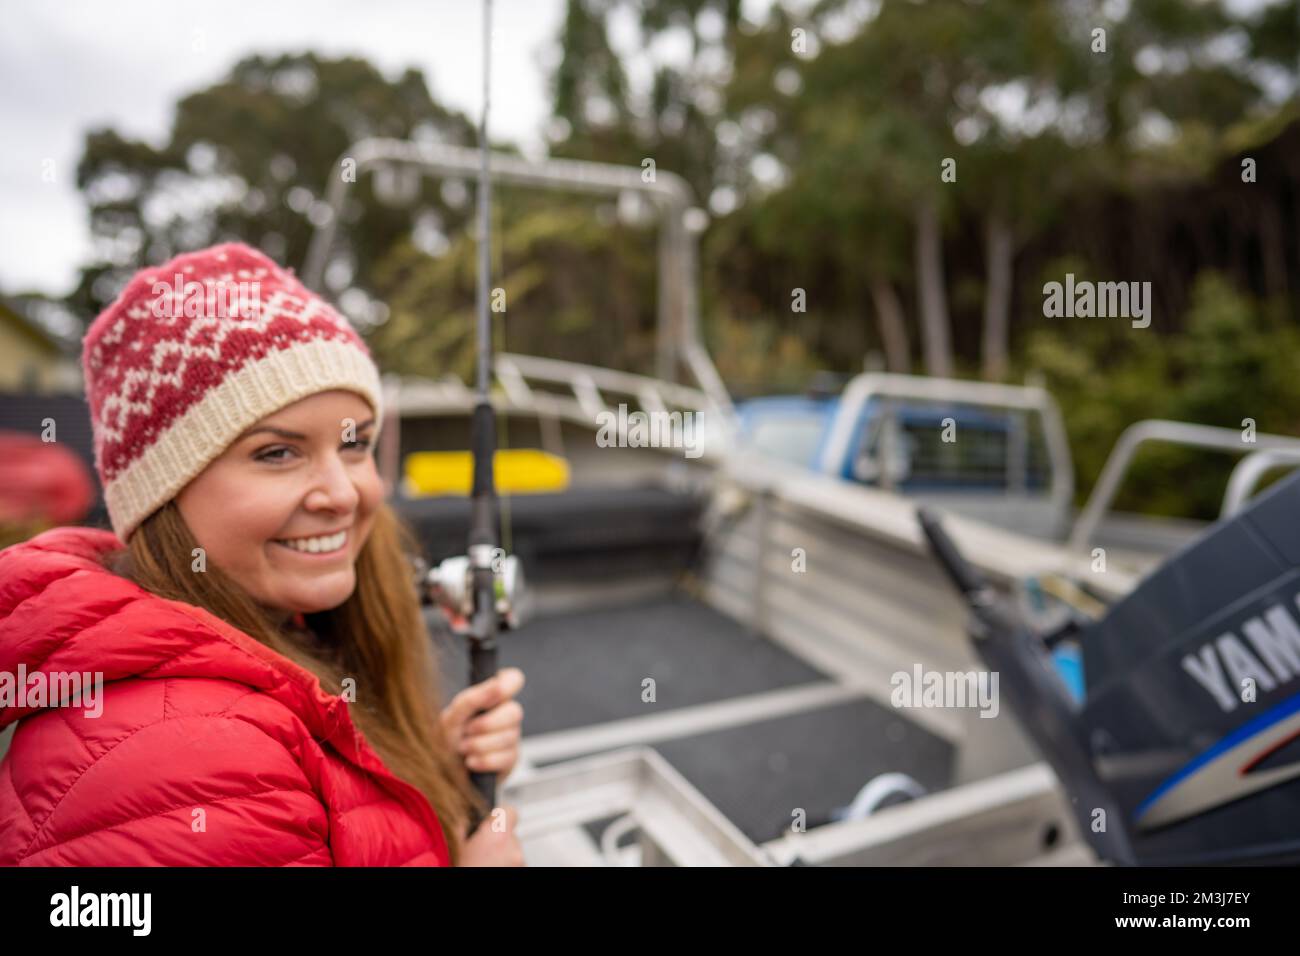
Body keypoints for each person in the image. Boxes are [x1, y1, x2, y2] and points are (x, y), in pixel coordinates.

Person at [0, 242, 525, 866]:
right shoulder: (188, 759)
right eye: (278, 452)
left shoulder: (265, 637)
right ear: (163, 490)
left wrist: (418, 775)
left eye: (355, 444)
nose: (343, 493)